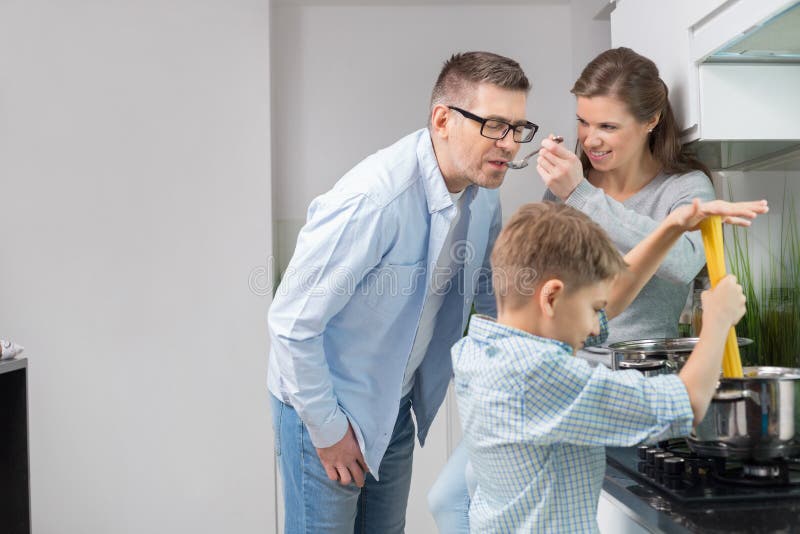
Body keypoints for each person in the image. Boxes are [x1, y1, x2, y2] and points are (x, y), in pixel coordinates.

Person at [428, 46, 718, 532]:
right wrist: (571, 192)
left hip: (622, 385)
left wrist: (582, 194)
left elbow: (686, 262)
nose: (591, 138)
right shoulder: (570, 183)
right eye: (584, 122)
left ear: (650, 122)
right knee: (448, 498)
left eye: (608, 126)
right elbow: (545, 272)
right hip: (548, 375)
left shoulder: (683, 190)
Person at [268, 51, 536, 533]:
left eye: (518, 128)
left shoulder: (486, 192)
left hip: (393, 406)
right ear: (443, 120)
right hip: (324, 406)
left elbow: (491, 294)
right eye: (495, 125)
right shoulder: (374, 201)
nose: (511, 145)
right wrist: (328, 432)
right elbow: (291, 324)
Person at [454, 200, 762, 532]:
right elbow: (684, 402)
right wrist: (717, 321)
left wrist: (673, 226)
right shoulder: (536, 375)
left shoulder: (480, 348)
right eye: (593, 308)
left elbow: (611, 298)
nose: (596, 329)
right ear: (552, 297)